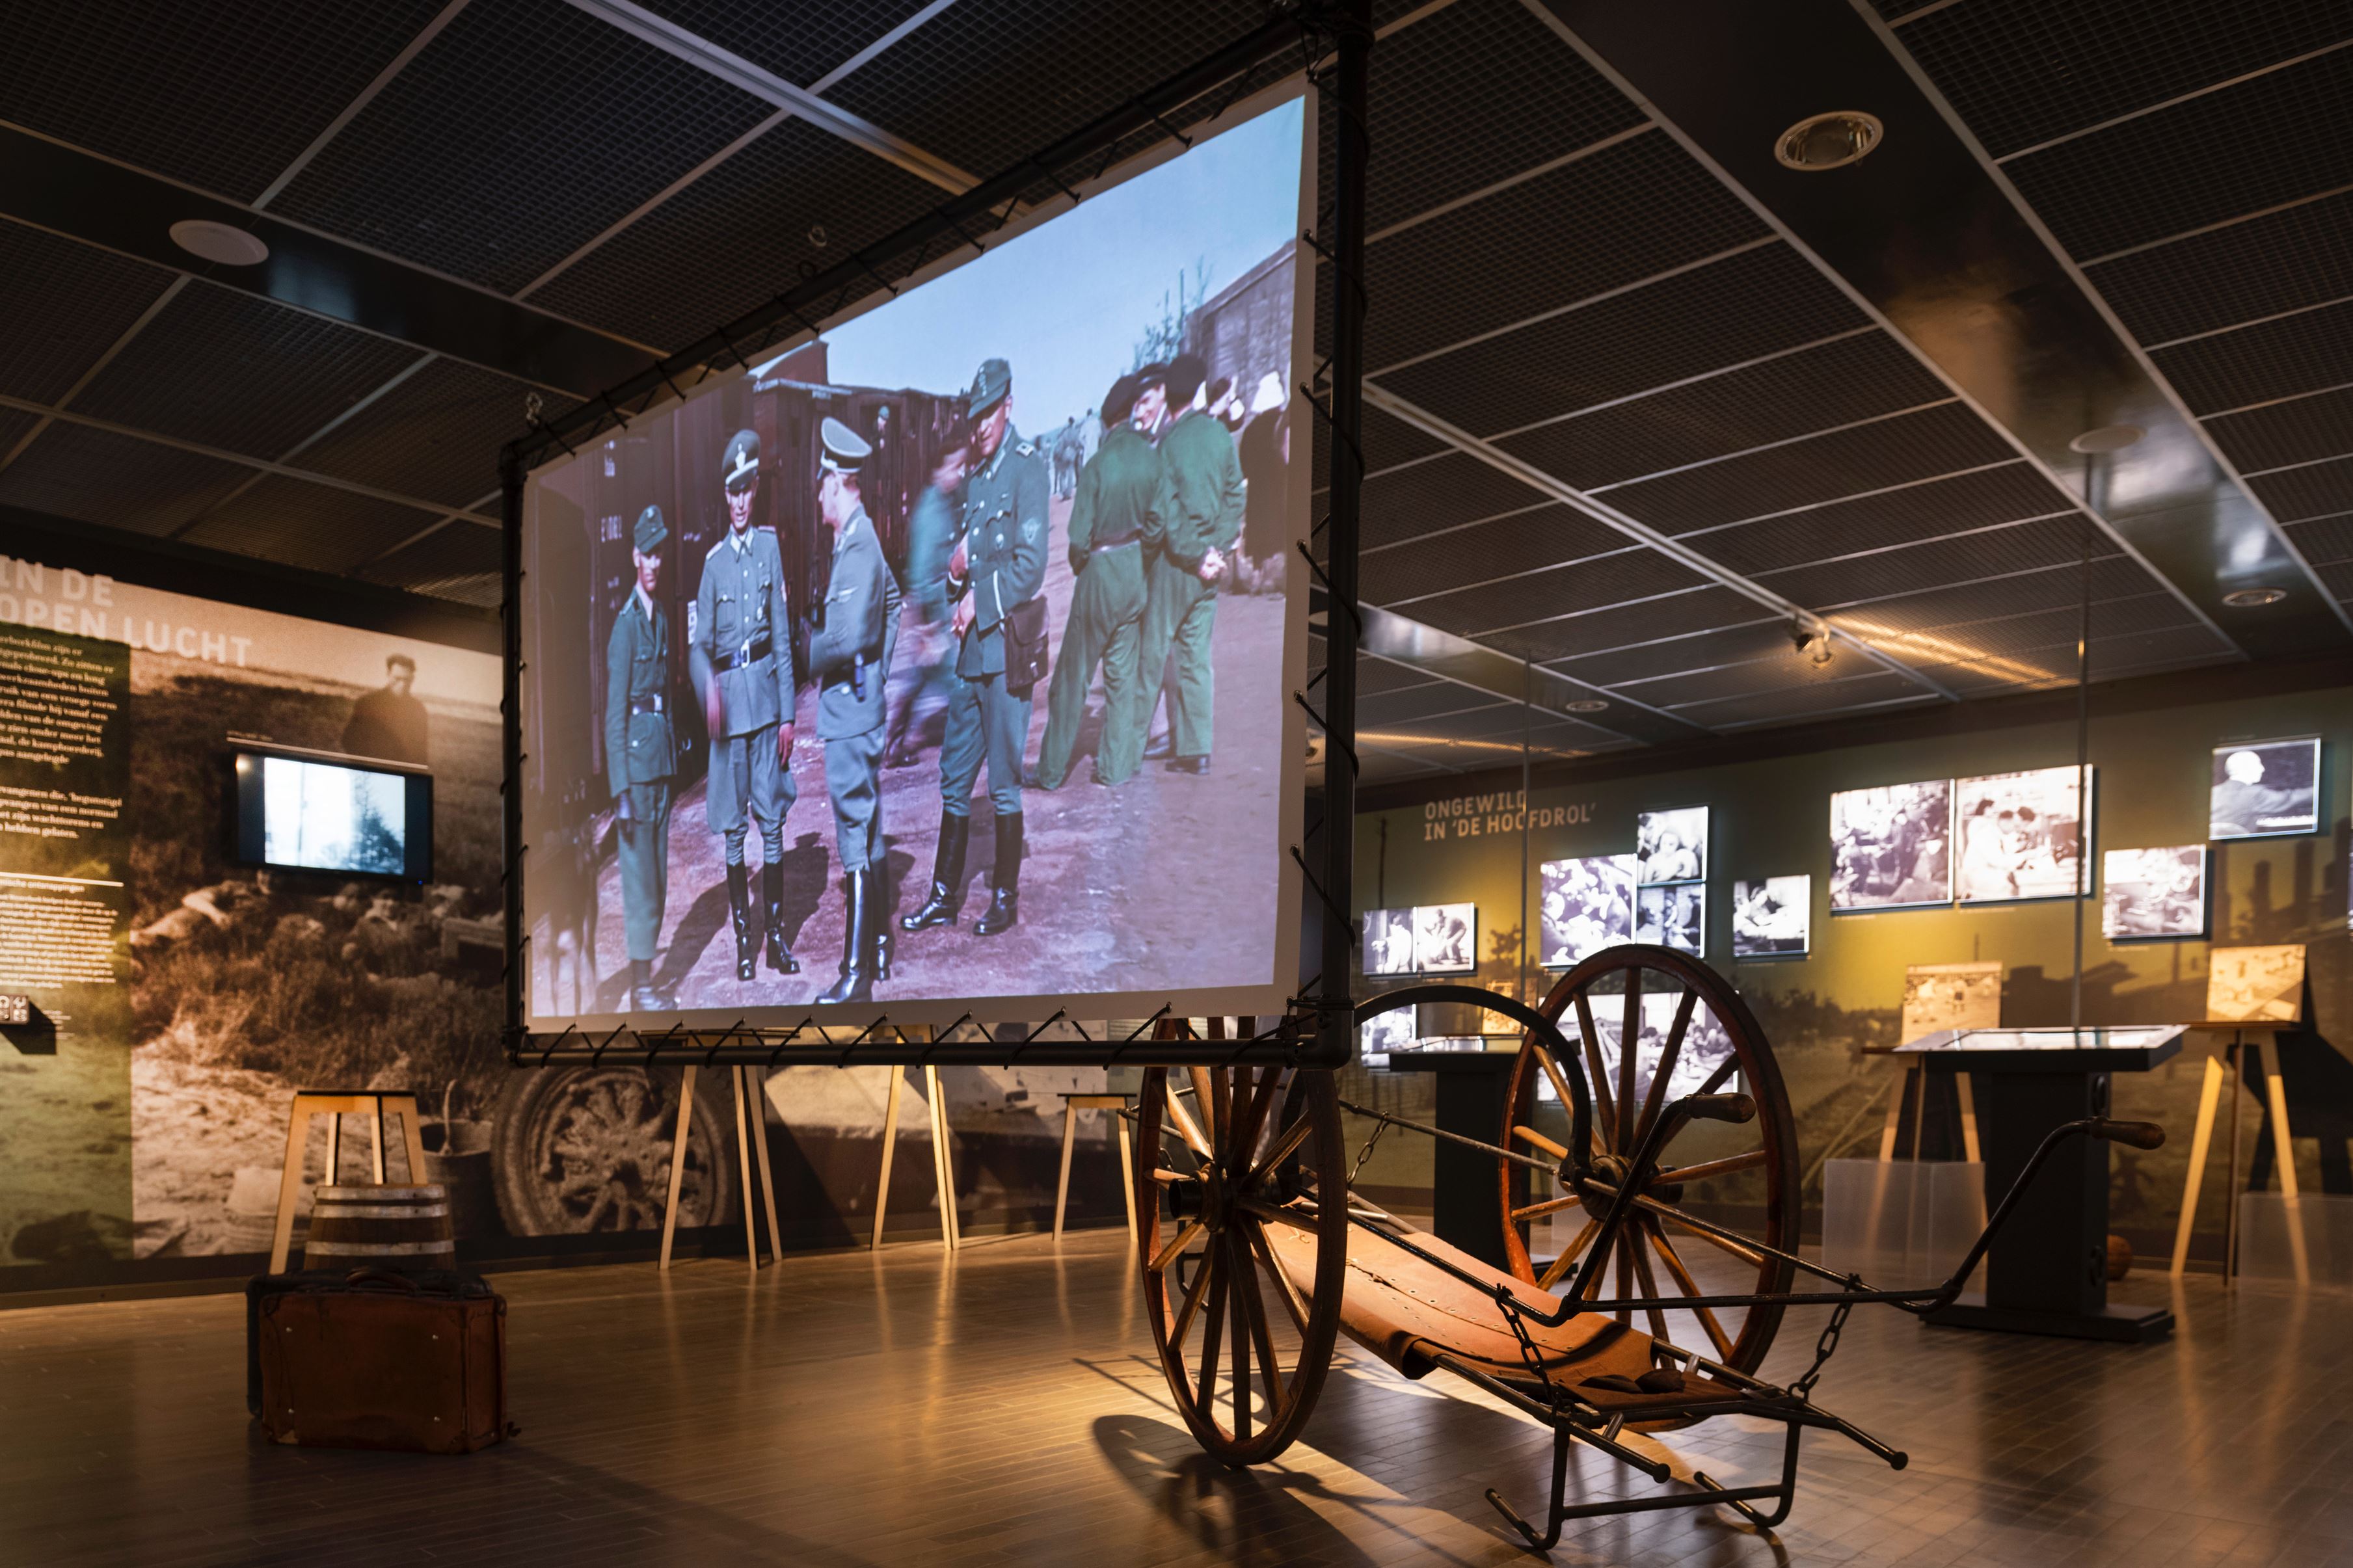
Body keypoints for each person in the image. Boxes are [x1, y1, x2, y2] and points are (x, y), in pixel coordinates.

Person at [901, 358, 1047, 939]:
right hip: (969, 660)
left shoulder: (1026, 470)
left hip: (1005, 652)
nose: (979, 424)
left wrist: (973, 602)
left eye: (988, 412)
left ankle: (1004, 898)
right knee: (954, 776)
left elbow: (1029, 567)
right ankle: (943, 895)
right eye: (974, 414)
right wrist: (956, 574)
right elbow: (968, 564)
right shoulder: (979, 477)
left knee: (1004, 782)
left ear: (1008, 403)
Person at [692, 428, 798, 983]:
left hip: (765, 705)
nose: (738, 502)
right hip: (730, 711)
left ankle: (776, 940)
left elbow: (781, 636)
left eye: (745, 489)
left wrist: (788, 714)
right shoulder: (712, 566)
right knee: (735, 831)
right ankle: (743, 944)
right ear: (724, 494)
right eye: (730, 491)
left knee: (773, 822)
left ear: (755, 488)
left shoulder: (771, 548)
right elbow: (698, 647)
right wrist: (707, 686)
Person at [806, 419, 902, 1005]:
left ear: (840, 484)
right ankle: (880, 950)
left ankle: (855, 973)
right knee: (868, 824)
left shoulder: (858, 546)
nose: (818, 496)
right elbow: (894, 600)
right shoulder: (859, 543)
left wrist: (802, 651)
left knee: (852, 835)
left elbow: (840, 638)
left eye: (822, 486)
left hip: (848, 713)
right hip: (858, 703)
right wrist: (880, 671)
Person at [1031, 373, 1157, 790]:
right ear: (1133, 414)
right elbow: (1159, 525)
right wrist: (1139, 555)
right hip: (1135, 572)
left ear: (1107, 422)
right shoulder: (1152, 457)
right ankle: (1115, 769)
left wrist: (1088, 567)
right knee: (1121, 679)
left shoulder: (1097, 465)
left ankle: (1050, 773)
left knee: (1071, 679)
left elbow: (1078, 542)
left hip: (1100, 574)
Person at [1138, 354, 1244, 775]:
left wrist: (1196, 554)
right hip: (1210, 568)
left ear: (1169, 398)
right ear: (1199, 390)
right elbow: (1234, 496)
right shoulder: (1219, 435)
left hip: (1173, 566)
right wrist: (1217, 551)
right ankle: (1195, 748)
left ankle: (1130, 744)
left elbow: (1164, 515)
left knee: (1156, 653)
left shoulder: (1165, 446)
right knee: (1195, 656)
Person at [604, 507, 676, 1013]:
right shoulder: (625, 626)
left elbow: (664, 697)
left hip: (661, 760)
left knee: (659, 874)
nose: (652, 562)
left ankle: (647, 977)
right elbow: (613, 712)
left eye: (658, 553)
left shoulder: (662, 619)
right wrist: (619, 787)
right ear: (633, 556)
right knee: (639, 880)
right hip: (635, 766)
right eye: (645, 553)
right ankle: (641, 986)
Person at [883, 427, 971, 769]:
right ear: (938, 471)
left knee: (925, 677)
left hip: (941, 608)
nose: (959, 474)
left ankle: (893, 742)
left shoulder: (947, 502)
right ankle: (969, 744)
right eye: (953, 467)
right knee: (954, 679)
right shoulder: (930, 513)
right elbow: (919, 575)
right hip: (933, 613)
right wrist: (924, 628)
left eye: (962, 467)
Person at [342, 652, 430, 764]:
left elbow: (421, 753)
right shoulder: (368, 703)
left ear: (412, 679)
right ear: (388, 675)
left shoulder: (418, 710)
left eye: (406, 680)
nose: (402, 684)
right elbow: (349, 740)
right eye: (397, 679)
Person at [2212, 747, 2304, 836]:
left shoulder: (2214, 792)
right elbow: (2290, 798)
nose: (2263, 769)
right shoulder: (2254, 793)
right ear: (2246, 768)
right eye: (2258, 764)